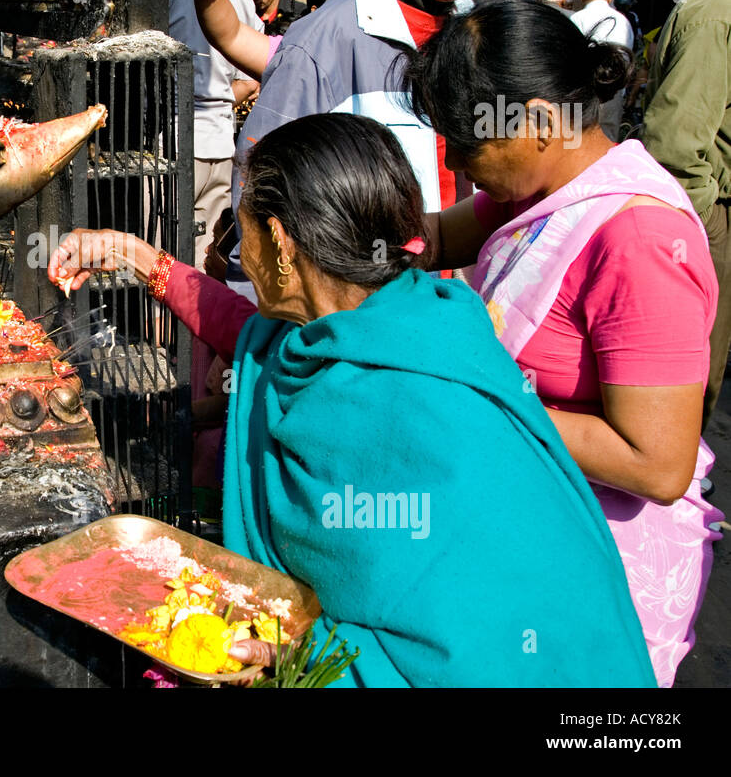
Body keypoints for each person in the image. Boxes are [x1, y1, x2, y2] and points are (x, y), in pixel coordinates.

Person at [48, 113, 655, 687]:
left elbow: (472, 649)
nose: (240, 254)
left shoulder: (408, 410)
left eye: (244, 227)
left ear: (281, 243)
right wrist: (133, 255)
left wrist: (295, 656)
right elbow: (251, 333)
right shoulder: (380, 316)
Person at [404, 0, 724, 687]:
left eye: (467, 141)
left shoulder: (638, 238)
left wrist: (479, 402)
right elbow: (426, 238)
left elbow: (657, 464)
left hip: (597, 571)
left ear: (542, 123)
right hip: (529, 532)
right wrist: (330, 222)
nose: (457, 159)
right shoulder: (538, 189)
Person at [167, 0, 494, 298]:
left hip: (456, 302)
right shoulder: (321, 45)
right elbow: (265, 194)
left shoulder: (480, 35)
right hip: (360, 319)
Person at [643, 0, 731, 431]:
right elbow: (675, 147)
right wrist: (707, 227)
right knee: (696, 378)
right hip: (708, 214)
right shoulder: (715, 12)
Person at [165, 0, 264, 271]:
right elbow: (252, 79)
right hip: (222, 145)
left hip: (171, 142)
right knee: (207, 258)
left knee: (163, 259)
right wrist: (219, 98)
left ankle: (161, 331)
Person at [570, 0, 633, 140]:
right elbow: (627, 58)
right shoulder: (622, 21)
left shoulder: (576, 19)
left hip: (581, 91)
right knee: (607, 139)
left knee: (578, 139)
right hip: (613, 90)